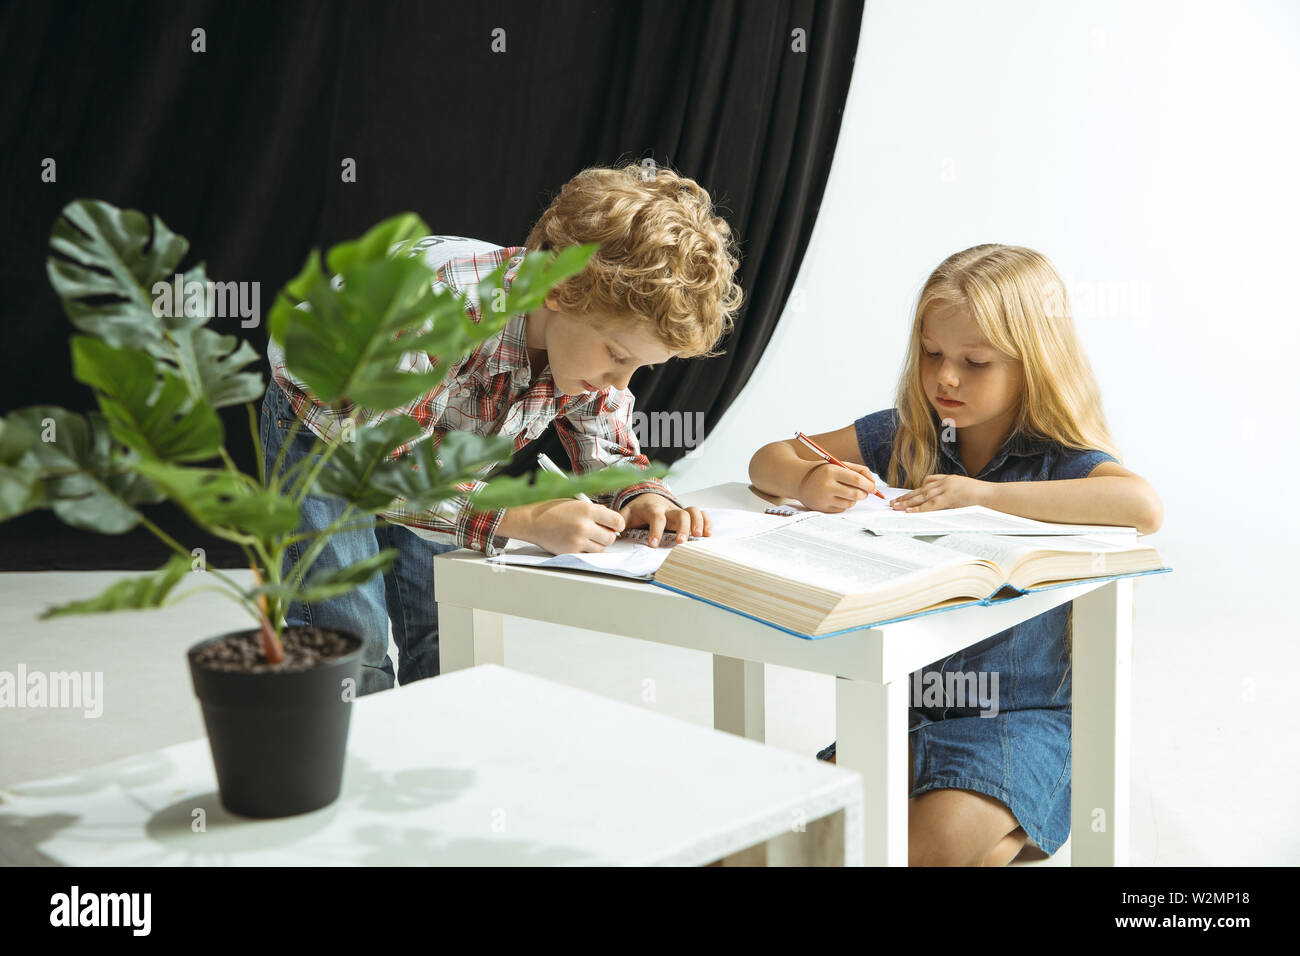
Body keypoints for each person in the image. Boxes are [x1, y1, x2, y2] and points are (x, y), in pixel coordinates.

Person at [748, 243, 1162, 865]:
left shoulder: (1055, 458)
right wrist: (806, 482)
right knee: (808, 843)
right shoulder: (905, 435)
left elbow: (1141, 506)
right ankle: (996, 837)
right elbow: (768, 458)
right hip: (905, 706)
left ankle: (1007, 819)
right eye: (933, 354)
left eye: (975, 362)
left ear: (1033, 365)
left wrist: (984, 496)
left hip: (1020, 719)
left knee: (924, 848)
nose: (946, 378)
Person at [261, 163, 743, 695]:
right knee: (352, 644)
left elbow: (604, 437)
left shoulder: (586, 341)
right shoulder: (438, 307)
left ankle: (432, 759)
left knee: (447, 626)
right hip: (332, 427)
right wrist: (525, 516)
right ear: (558, 291)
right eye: (617, 356)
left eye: (639, 369)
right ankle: (352, 769)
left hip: (438, 444)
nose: (619, 381)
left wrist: (640, 494)